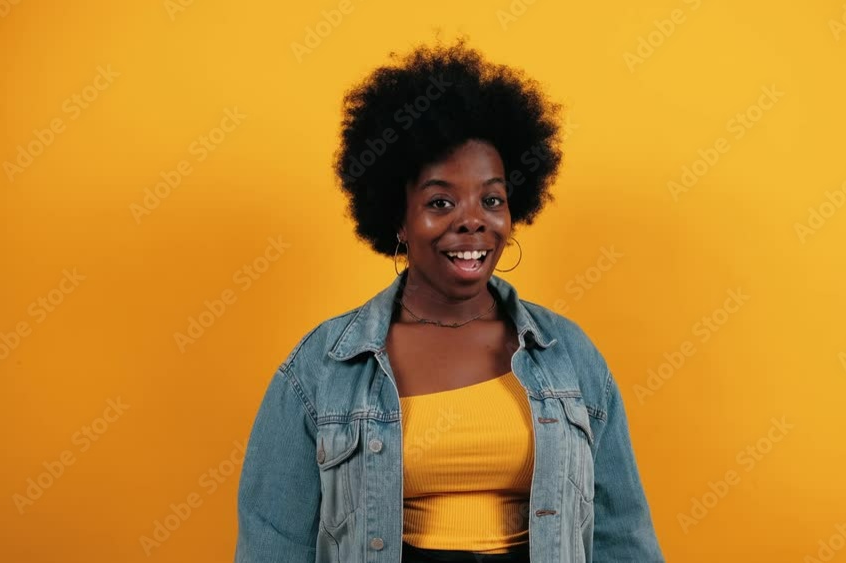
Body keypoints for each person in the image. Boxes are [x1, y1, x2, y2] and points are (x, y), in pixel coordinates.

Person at [234, 38, 665, 563]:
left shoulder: (568, 355)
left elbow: (621, 536)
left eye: (492, 199)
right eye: (441, 201)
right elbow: (272, 543)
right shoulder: (323, 367)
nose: (472, 219)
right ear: (399, 218)